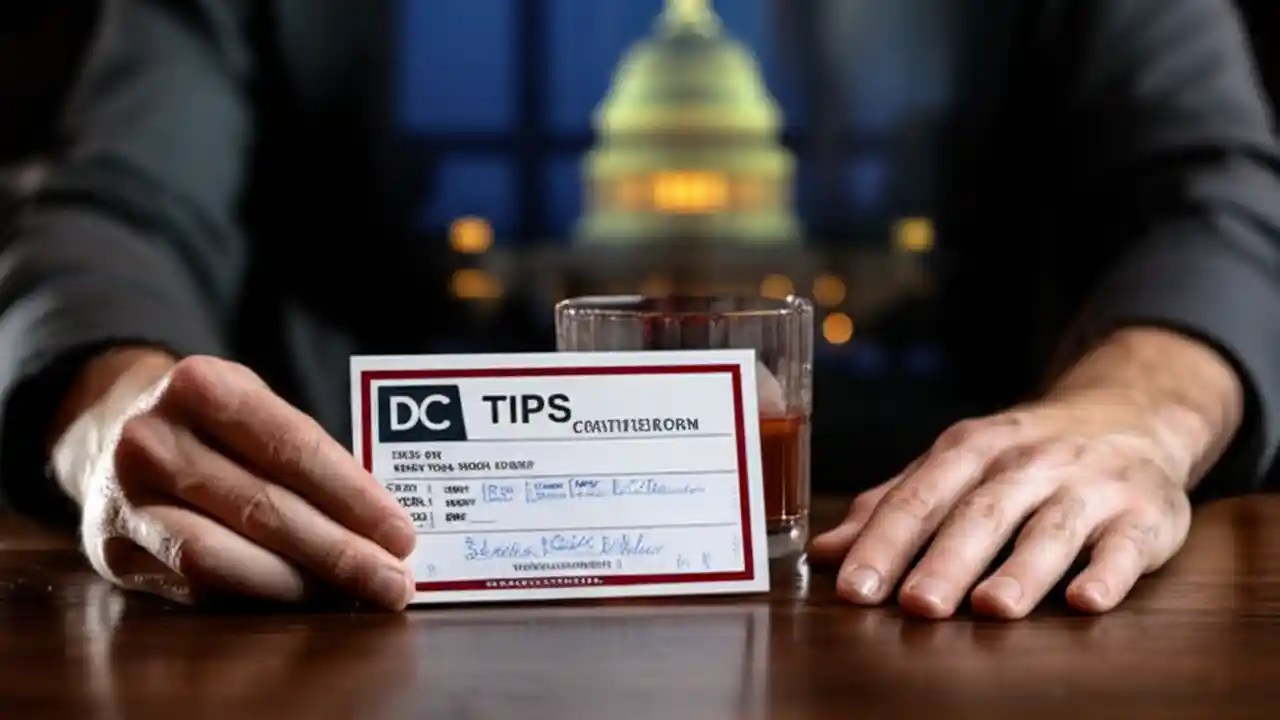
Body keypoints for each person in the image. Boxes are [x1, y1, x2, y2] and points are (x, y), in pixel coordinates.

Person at [0, 0, 1277, 618]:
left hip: (914, 593)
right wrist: (110, 411)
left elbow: (1209, 193)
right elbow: (102, 213)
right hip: (368, 594)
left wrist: (1137, 413)